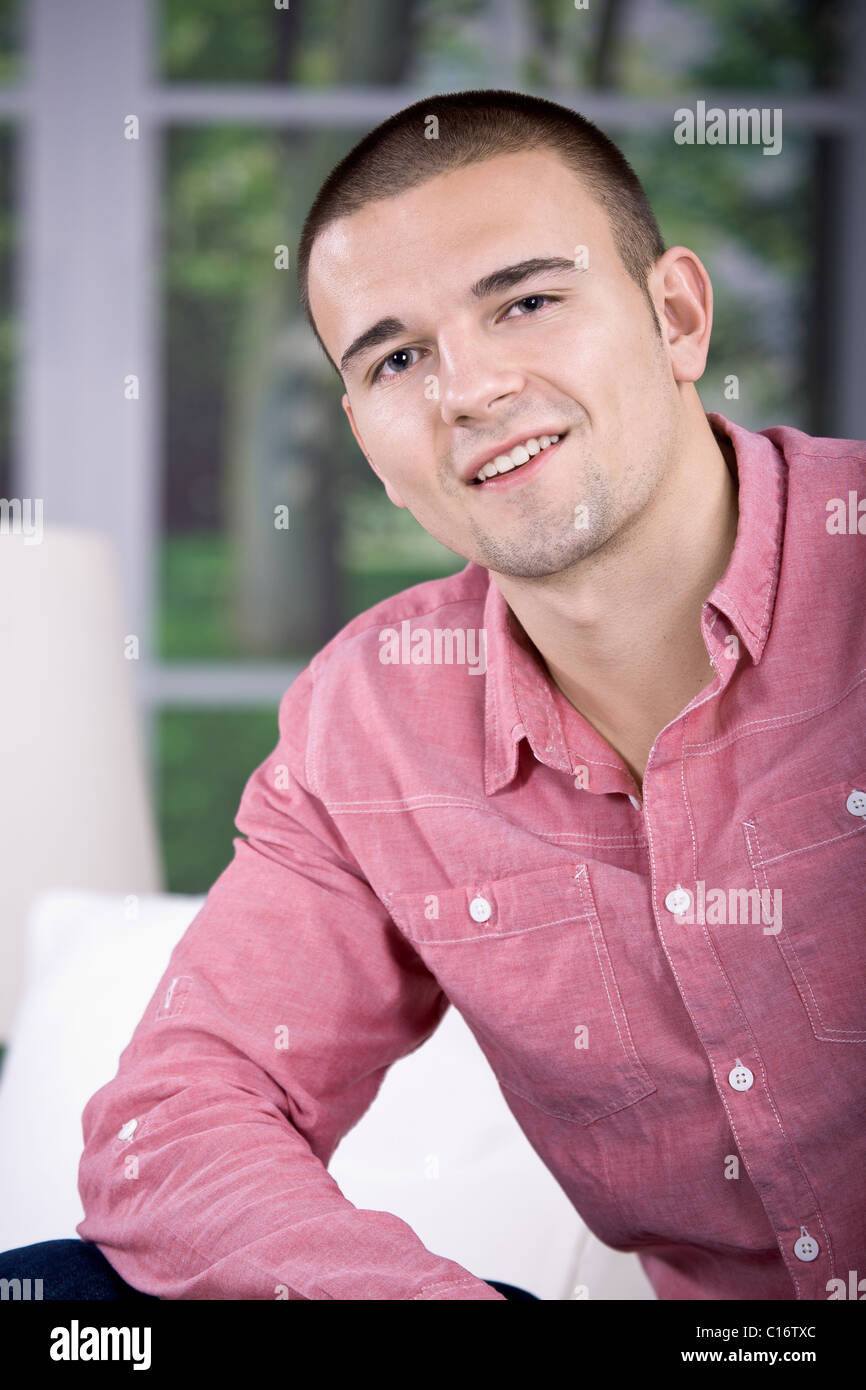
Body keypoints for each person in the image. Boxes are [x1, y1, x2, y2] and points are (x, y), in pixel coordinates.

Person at [7, 88, 864, 1300]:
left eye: (524, 301)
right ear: (369, 443)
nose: (468, 389)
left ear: (674, 317)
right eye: (399, 357)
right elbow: (177, 1123)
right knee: (51, 1294)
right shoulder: (374, 720)